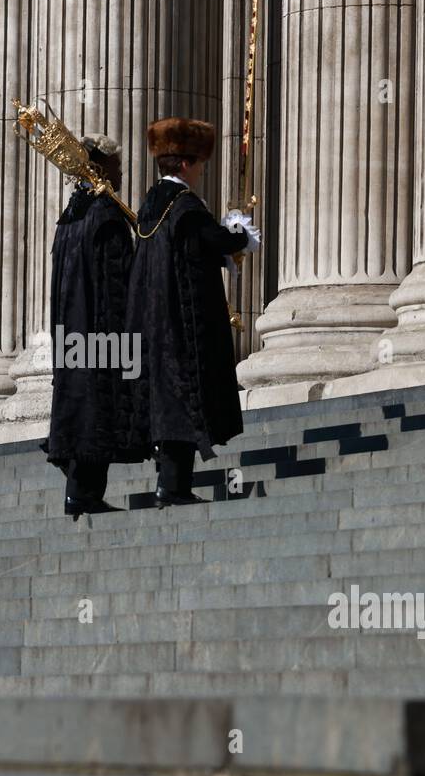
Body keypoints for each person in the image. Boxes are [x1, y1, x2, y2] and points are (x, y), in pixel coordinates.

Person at [121, 117, 261, 507]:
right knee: (183, 401)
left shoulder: (152, 206)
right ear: (185, 164)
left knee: (165, 401)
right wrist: (240, 234)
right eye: (199, 162)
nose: (201, 170)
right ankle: (174, 487)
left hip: (154, 324)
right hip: (182, 326)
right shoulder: (184, 205)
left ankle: (169, 483)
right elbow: (210, 240)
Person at [41, 135, 135, 519]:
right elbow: (119, 278)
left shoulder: (69, 216)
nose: (122, 173)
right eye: (117, 166)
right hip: (103, 331)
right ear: (100, 168)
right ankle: (83, 492)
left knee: (77, 403)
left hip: (71, 331)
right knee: (100, 407)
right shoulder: (106, 215)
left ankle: (78, 488)